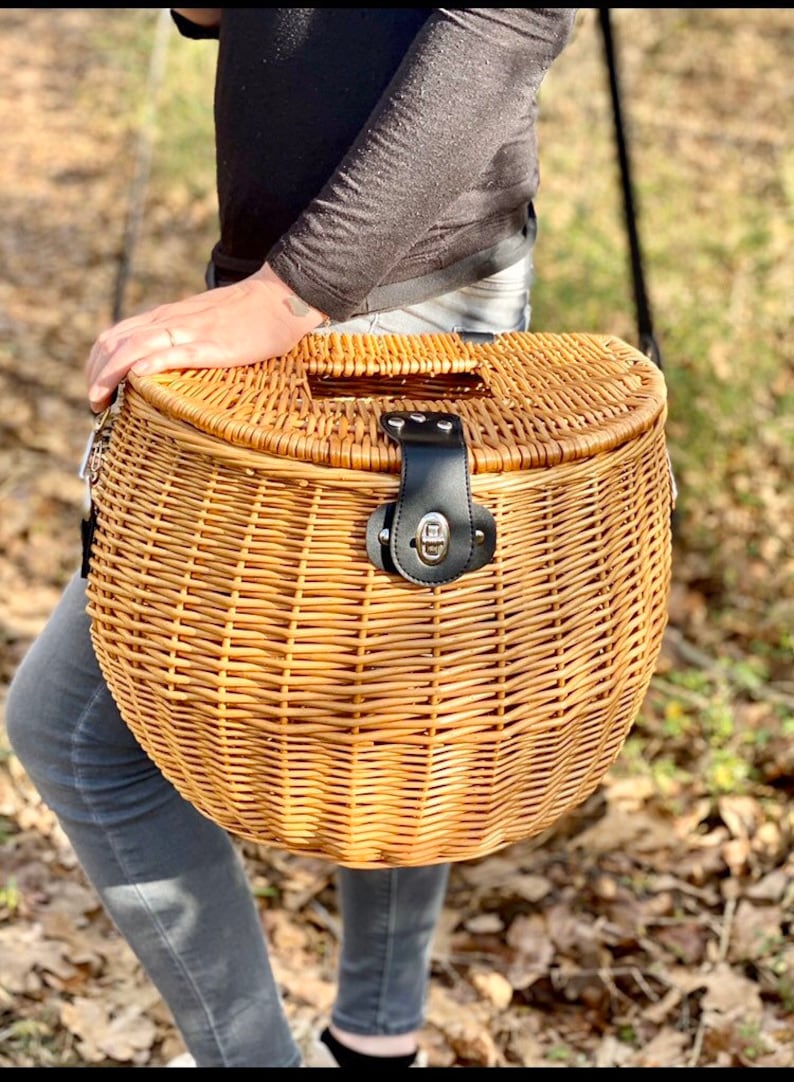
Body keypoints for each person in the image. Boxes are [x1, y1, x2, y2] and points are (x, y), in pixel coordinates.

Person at [6, 8, 578, 1069]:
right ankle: (372, 1040)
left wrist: (291, 290)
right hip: (326, 281)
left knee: (75, 729)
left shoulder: (313, 289)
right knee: (392, 692)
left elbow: (505, 19)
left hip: (381, 294)